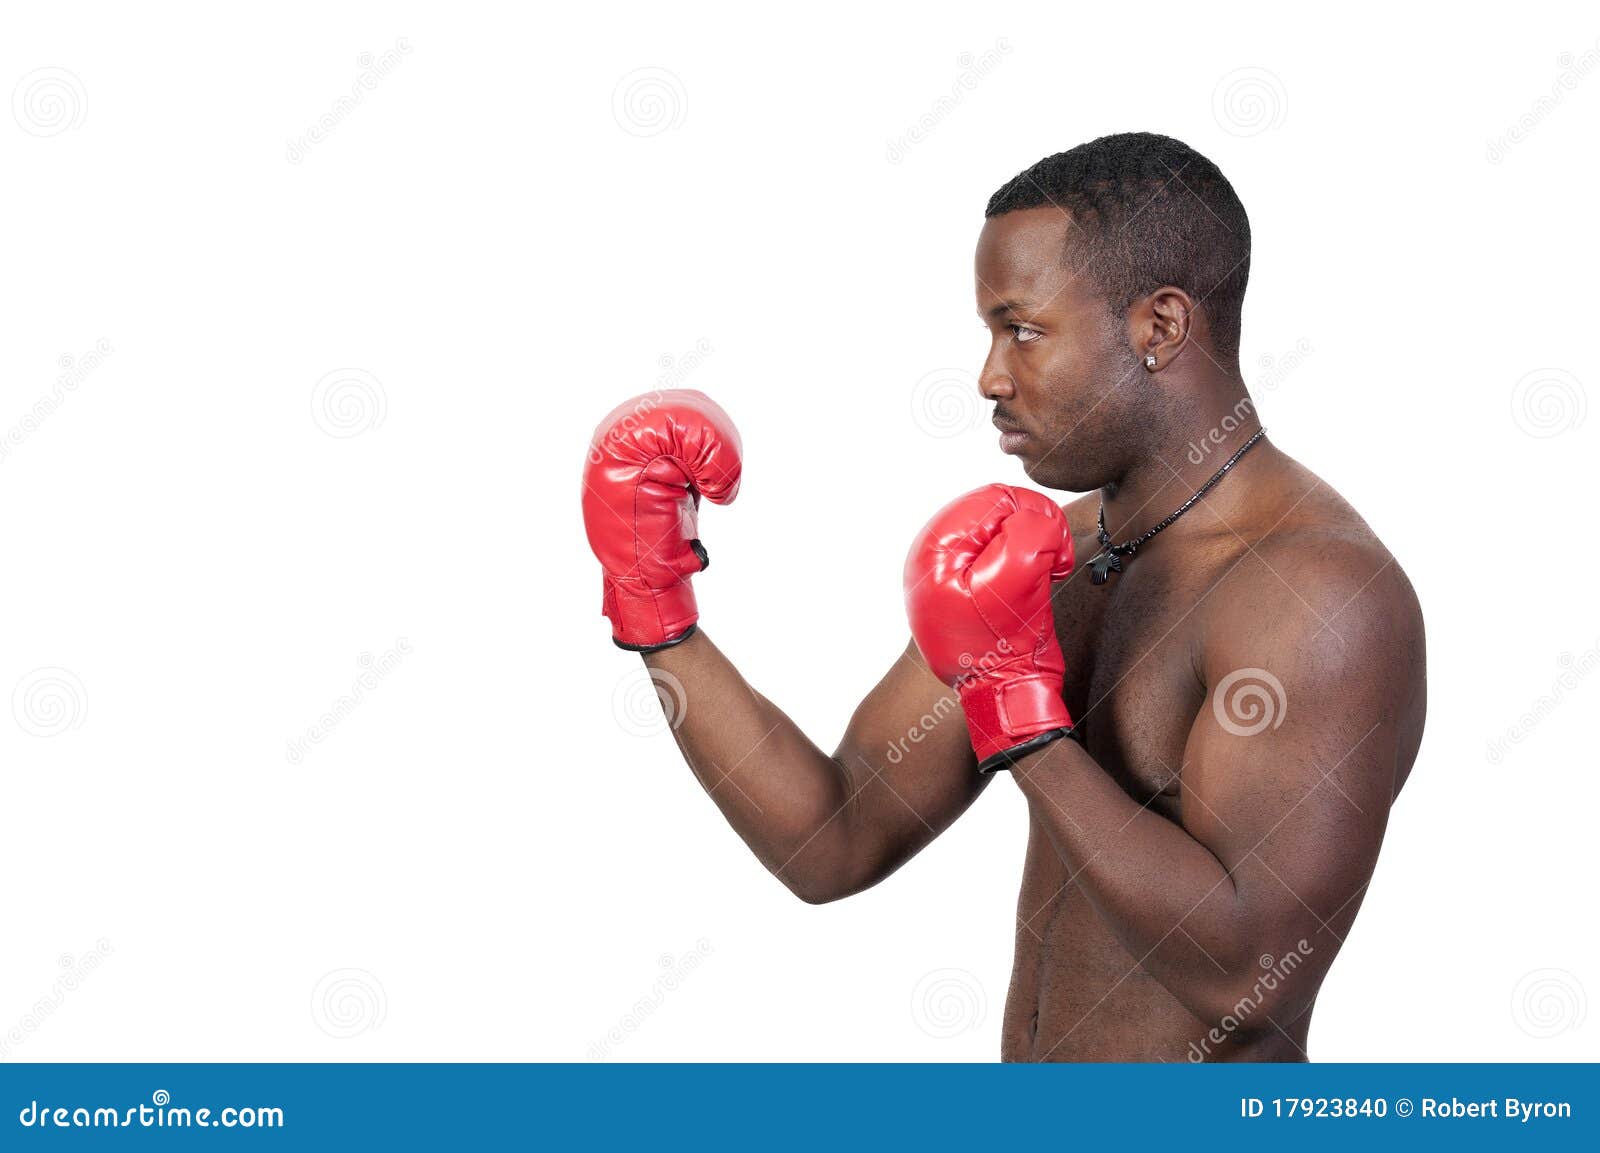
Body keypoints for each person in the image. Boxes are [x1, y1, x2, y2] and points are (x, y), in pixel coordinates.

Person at [581, 132, 1426, 1061]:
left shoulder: (1317, 594)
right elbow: (834, 836)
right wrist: (654, 602)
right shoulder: (1054, 556)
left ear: (1160, 327)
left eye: (1021, 329)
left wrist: (1018, 714)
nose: (989, 376)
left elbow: (1248, 976)